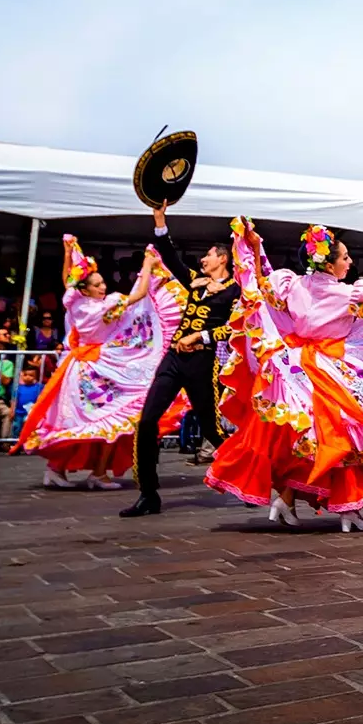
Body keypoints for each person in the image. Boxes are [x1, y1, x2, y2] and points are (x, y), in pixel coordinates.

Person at [206, 220, 363, 532]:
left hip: (295, 368)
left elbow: (260, 281)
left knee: (307, 439)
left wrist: (255, 249)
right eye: (345, 257)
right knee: (353, 433)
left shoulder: (293, 284)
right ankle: (348, 509)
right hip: (331, 367)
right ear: (330, 262)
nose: (349, 262)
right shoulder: (346, 293)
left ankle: (286, 500)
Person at [13, 237, 182, 489]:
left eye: (102, 282)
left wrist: (68, 253)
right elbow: (140, 293)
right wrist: (146, 265)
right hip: (99, 368)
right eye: (97, 284)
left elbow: (67, 281)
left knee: (89, 422)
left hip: (78, 367)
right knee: (111, 420)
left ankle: (64, 470)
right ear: (86, 289)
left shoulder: (75, 303)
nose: (103, 287)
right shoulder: (105, 308)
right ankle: (95, 473)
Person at [123, 206, 241, 517]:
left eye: (209, 255)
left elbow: (235, 327)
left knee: (213, 431)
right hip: (174, 359)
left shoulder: (234, 292)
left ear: (223, 258)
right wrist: (160, 220)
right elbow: (169, 254)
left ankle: (247, 479)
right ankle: (148, 494)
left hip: (202, 364)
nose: (203, 259)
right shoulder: (195, 281)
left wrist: (200, 337)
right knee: (147, 422)